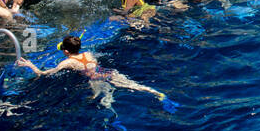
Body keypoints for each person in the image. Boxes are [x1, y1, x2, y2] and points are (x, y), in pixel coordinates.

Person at [19, 35, 171, 109]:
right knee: (135, 85)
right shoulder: (88, 54)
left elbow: (44, 73)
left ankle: (112, 120)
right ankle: (157, 94)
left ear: (65, 51)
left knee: (105, 101)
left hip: (95, 79)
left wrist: (31, 66)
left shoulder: (67, 62)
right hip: (108, 72)